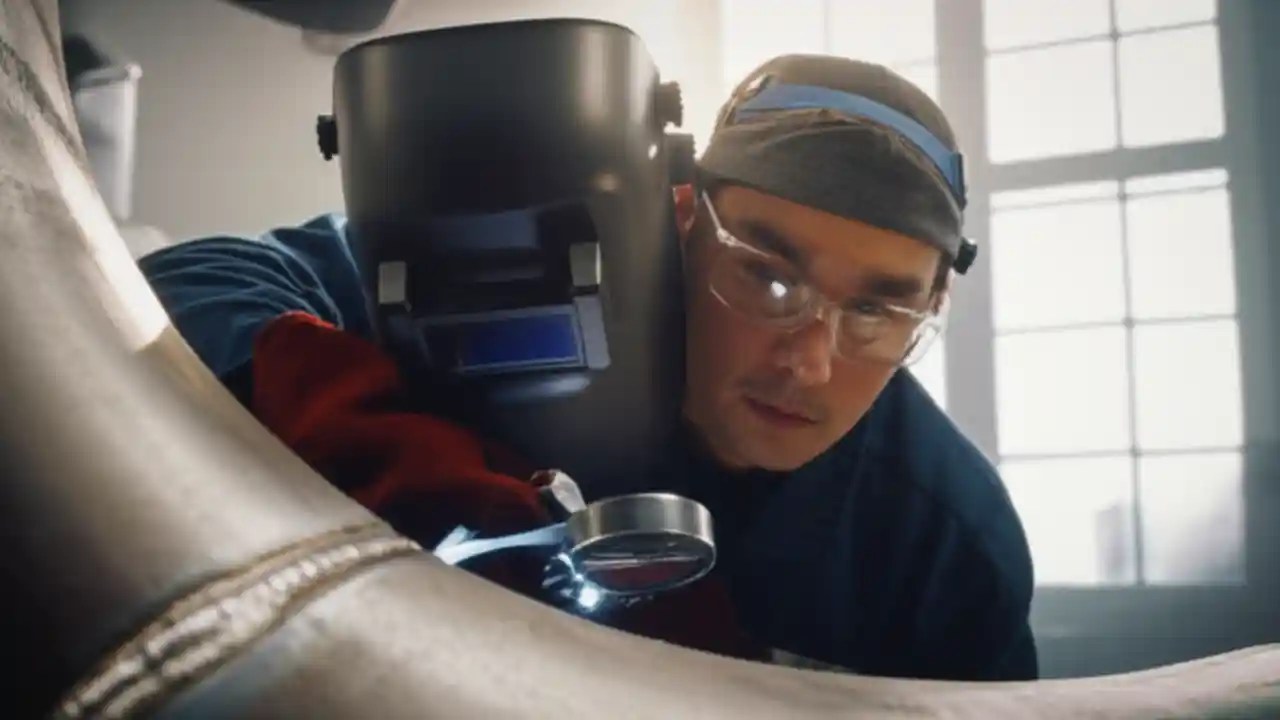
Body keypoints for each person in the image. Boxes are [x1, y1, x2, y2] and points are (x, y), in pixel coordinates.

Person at [139, 52, 1037, 681]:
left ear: (930, 308)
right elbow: (189, 282)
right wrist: (395, 459)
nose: (809, 361)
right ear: (679, 220)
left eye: (877, 312)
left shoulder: (946, 548)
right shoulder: (538, 304)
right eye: (766, 277)